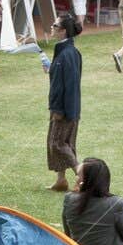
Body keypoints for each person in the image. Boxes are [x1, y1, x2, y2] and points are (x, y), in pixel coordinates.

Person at [46, 12, 82, 192]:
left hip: (65, 109)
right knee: (64, 141)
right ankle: (61, 180)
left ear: (63, 31)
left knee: (58, 143)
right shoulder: (67, 51)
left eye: (55, 26)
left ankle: (82, 175)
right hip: (68, 107)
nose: (51, 28)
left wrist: (59, 109)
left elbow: (68, 84)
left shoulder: (67, 54)